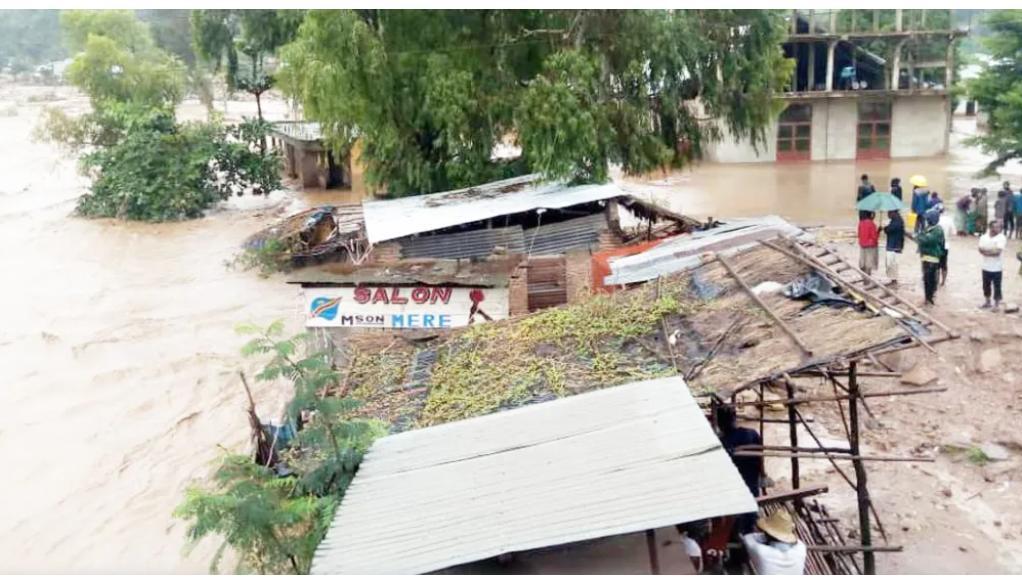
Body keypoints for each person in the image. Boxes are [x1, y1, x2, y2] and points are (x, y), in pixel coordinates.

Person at [716, 405, 763, 533]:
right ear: (735, 418)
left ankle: (739, 533)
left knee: (737, 515)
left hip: (736, 485)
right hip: (751, 479)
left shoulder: (723, 442)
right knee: (750, 511)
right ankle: (749, 530)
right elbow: (760, 457)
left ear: (720, 423)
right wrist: (761, 474)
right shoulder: (752, 433)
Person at [740, 509, 807, 575]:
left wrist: (765, 535)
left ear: (767, 534)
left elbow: (748, 537)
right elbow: (797, 541)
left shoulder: (761, 551)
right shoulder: (801, 548)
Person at [917, 209, 945, 305]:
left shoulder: (937, 230)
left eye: (928, 219)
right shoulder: (929, 228)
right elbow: (922, 239)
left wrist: (919, 236)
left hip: (932, 258)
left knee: (930, 280)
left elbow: (928, 240)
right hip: (926, 257)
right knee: (927, 279)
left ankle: (929, 299)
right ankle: (928, 298)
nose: (926, 220)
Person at [979, 220, 1007, 311]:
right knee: (986, 286)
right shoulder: (984, 237)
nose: (997, 229)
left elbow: (997, 252)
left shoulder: (1001, 238)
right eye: (995, 227)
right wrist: (991, 251)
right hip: (985, 266)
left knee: (997, 286)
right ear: (990, 228)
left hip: (997, 267)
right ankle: (987, 302)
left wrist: (987, 252)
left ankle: (996, 305)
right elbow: (980, 249)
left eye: (999, 227)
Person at [883, 210, 905, 286]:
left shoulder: (897, 222)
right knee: (892, 264)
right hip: (895, 245)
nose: (888, 214)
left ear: (893, 213)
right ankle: (893, 280)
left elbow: (889, 230)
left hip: (894, 246)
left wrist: (885, 228)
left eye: (889, 213)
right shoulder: (897, 220)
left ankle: (894, 280)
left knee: (891, 264)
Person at [858, 211, 879, 275]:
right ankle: (868, 276)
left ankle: (864, 276)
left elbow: (859, 234)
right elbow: (874, 236)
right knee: (869, 263)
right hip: (871, 246)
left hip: (862, 244)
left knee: (863, 262)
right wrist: (878, 231)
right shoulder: (872, 224)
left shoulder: (860, 223)